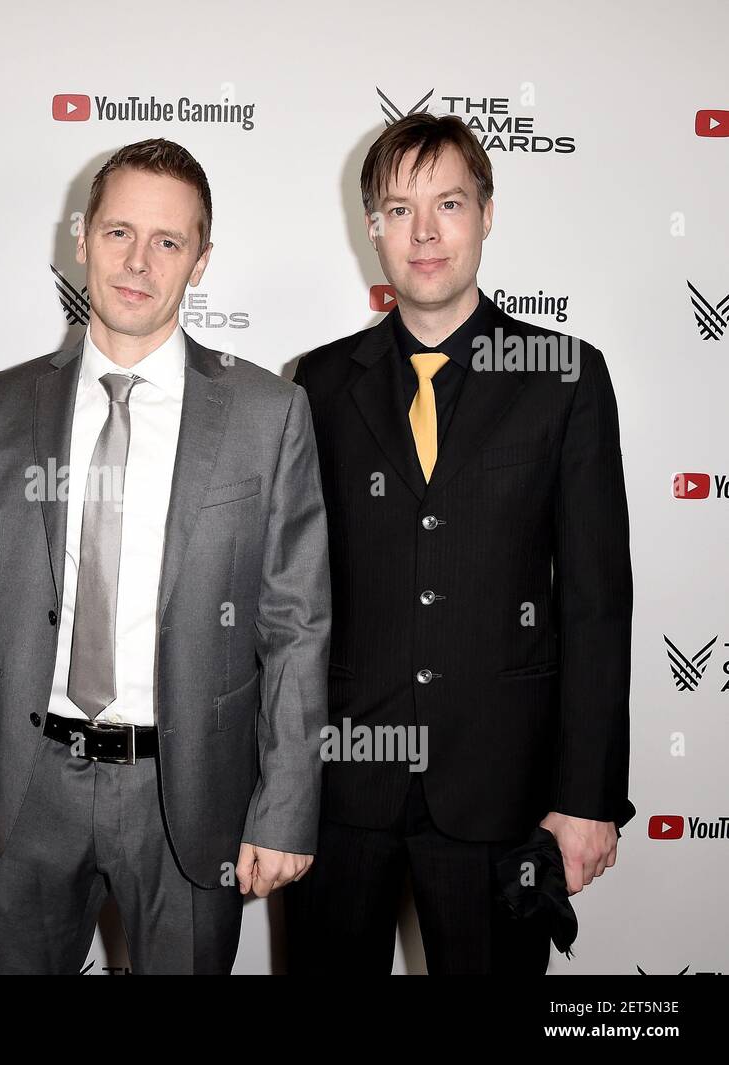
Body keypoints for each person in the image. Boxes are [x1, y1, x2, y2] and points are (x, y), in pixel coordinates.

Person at [0, 138, 331, 974]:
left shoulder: (269, 414)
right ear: (81, 238)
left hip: (189, 798)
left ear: (201, 261)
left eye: (168, 242)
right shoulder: (0, 406)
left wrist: (284, 806)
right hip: (27, 785)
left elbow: (295, 624)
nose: (138, 262)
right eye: (118, 233)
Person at [287, 112, 634, 974]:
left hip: (504, 793)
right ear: (370, 228)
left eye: (448, 203)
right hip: (342, 790)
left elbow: (595, 602)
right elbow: (292, 595)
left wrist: (587, 797)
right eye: (399, 210)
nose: (426, 232)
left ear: (486, 213)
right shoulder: (321, 384)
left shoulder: (566, 375)